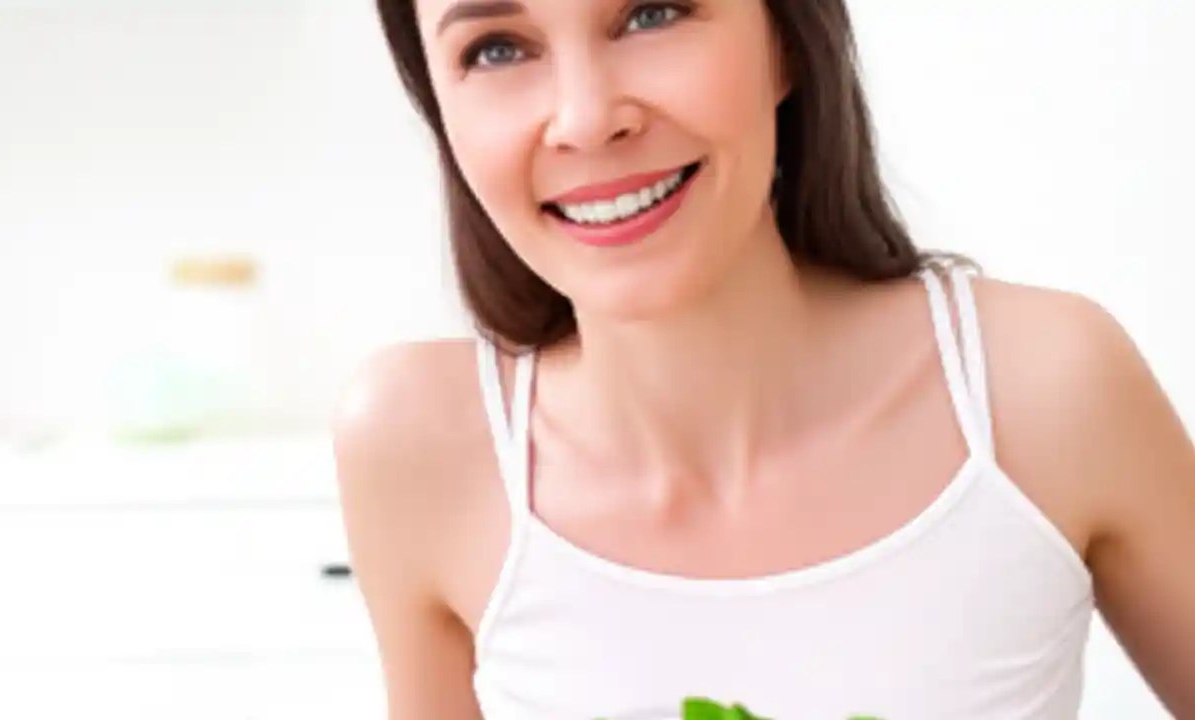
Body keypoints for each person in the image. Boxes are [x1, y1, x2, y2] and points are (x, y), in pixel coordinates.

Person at [332, 1, 1195, 718]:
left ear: (786, 40)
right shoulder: (422, 444)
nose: (588, 118)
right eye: (496, 49)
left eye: (652, 13)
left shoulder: (1041, 386)